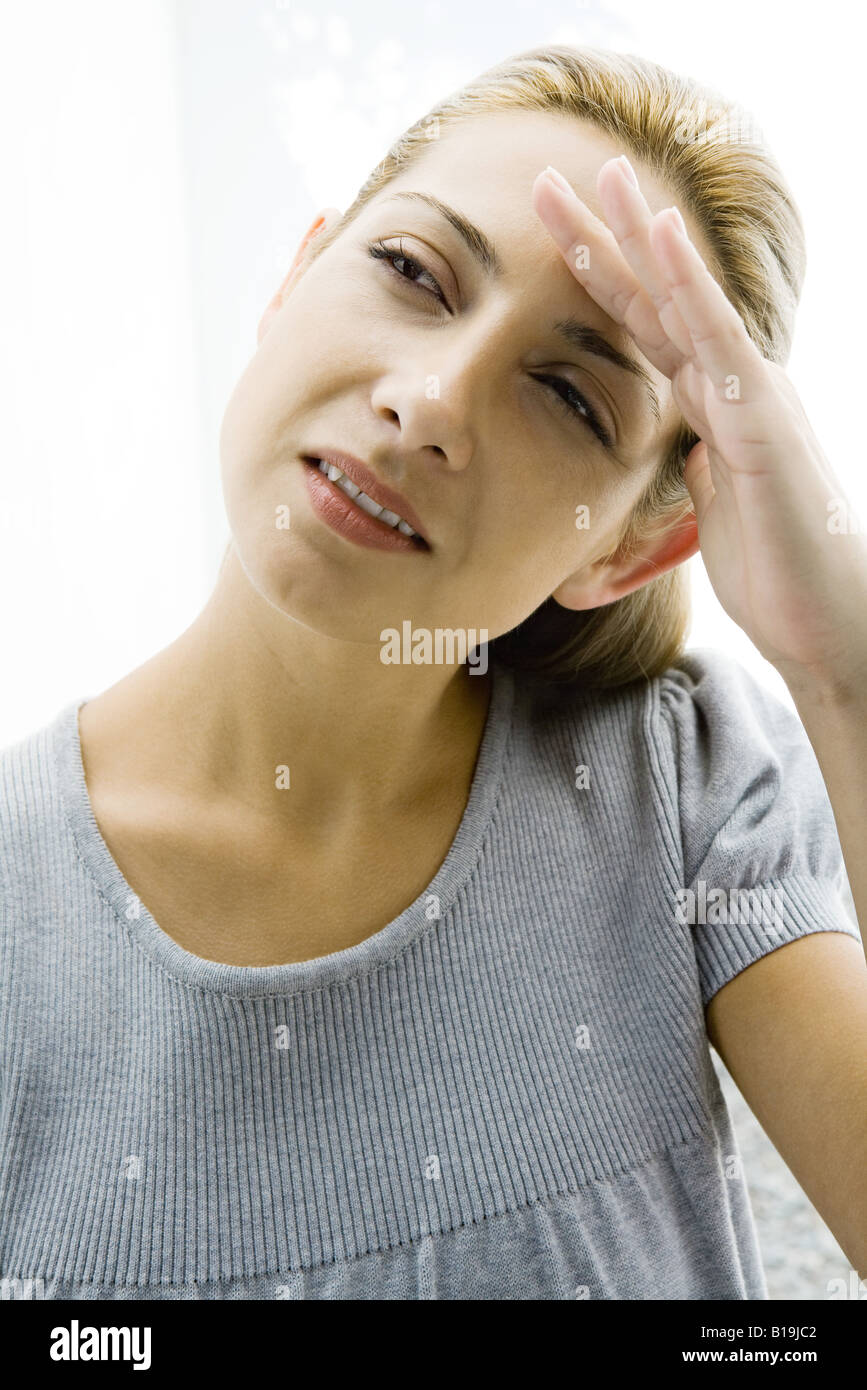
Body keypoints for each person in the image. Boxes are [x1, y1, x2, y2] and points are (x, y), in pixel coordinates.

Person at [1, 43, 866, 1300]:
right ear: (297, 273)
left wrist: (840, 668)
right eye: (412, 271)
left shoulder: (685, 787)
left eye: (569, 396)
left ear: (631, 548)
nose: (432, 401)